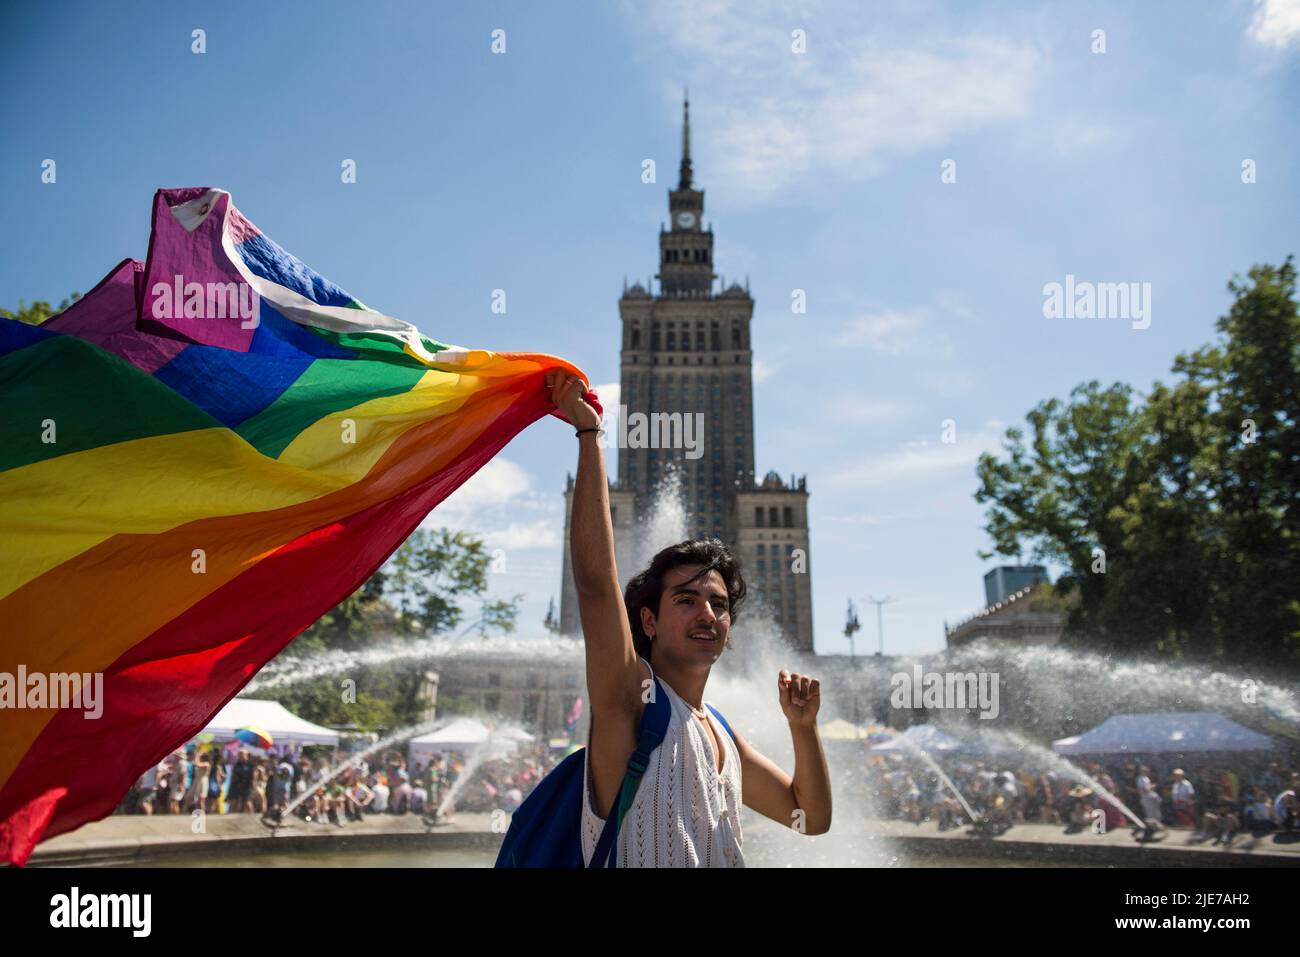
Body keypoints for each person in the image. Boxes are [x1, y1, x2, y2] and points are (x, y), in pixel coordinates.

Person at [547, 370, 832, 868]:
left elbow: (809, 816)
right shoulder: (629, 699)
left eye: (718, 604)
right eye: (685, 599)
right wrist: (590, 434)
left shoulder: (719, 731)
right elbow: (594, 585)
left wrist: (803, 728)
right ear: (649, 621)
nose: (707, 613)